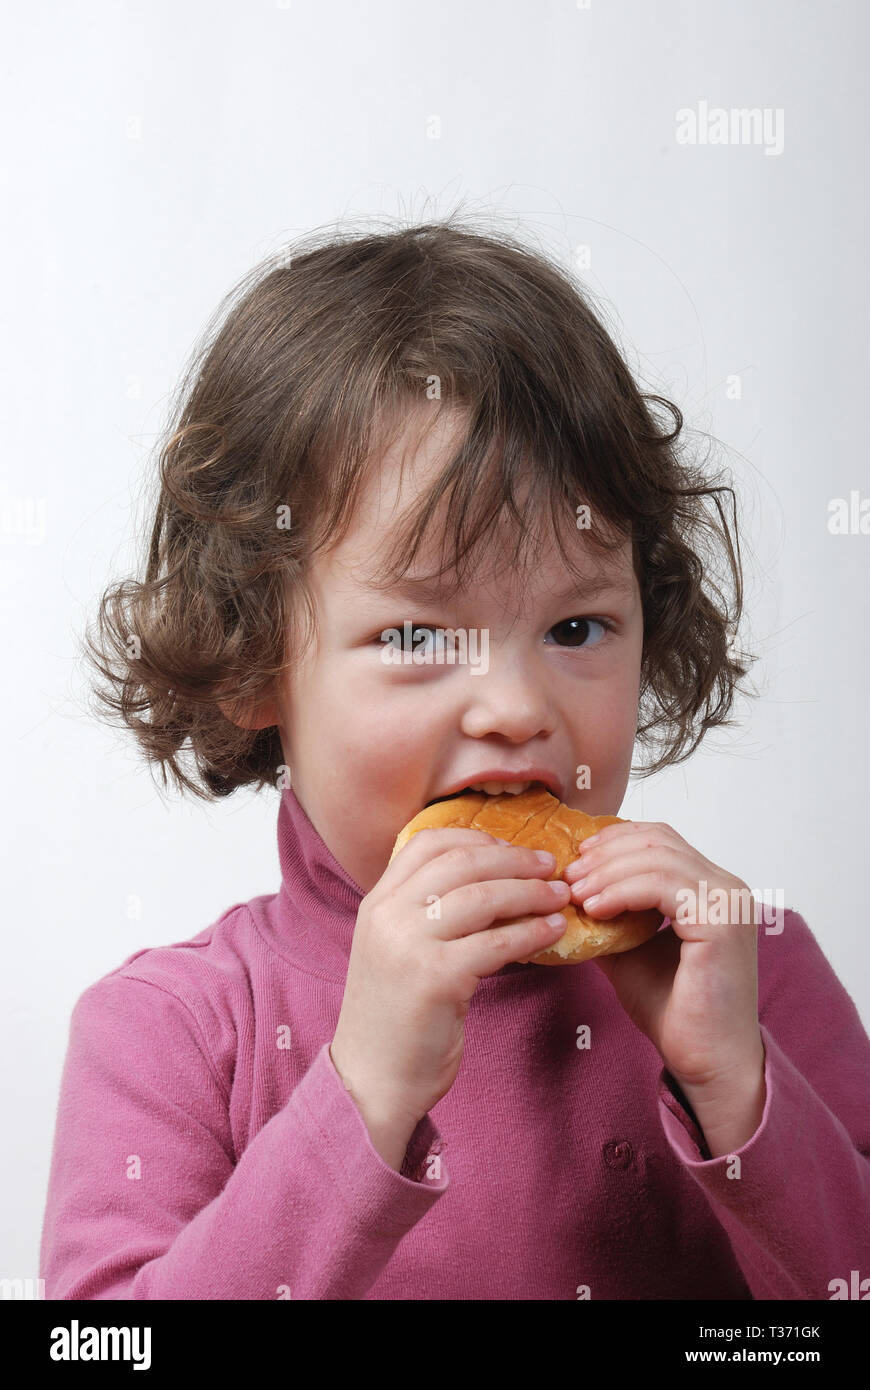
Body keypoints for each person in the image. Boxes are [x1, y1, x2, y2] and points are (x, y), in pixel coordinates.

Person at [40, 220, 870, 1299]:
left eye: (576, 629)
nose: (519, 708)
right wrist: (363, 1093)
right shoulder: (174, 1028)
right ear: (251, 659)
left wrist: (741, 1087)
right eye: (419, 636)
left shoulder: (747, 965)